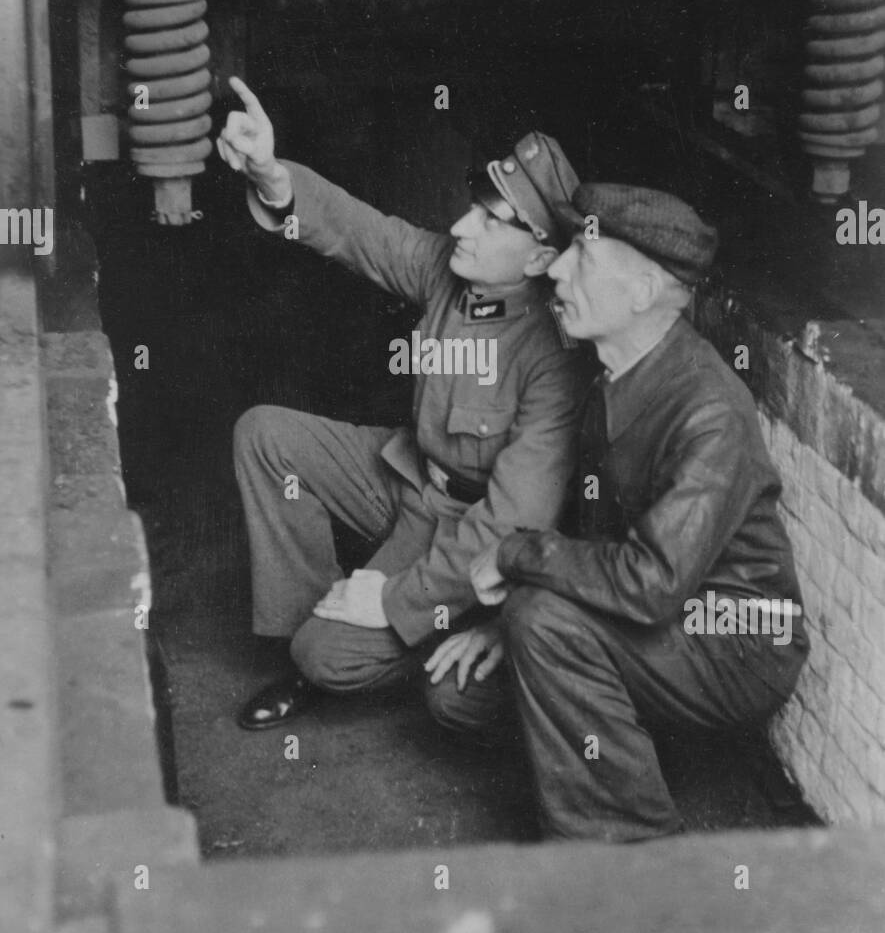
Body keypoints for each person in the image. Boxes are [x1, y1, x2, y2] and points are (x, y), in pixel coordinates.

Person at [446, 181, 809, 842]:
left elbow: (648, 582)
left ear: (640, 294)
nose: (554, 268)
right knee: (459, 696)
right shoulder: (613, 372)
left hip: (734, 638)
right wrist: (504, 626)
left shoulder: (705, 410)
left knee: (541, 625)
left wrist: (515, 557)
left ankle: (633, 860)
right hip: (658, 617)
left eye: (579, 260)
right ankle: (619, 743)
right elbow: (596, 538)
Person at [217, 77, 584, 729]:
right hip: (407, 476)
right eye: (473, 205)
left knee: (328, 656)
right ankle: (315, 619)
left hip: (468, 532)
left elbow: (510, 522)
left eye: (491, 221)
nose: (460, 226)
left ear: (540, 257)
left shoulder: (550, 356)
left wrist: (394, 601)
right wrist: (272, 175)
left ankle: (410, 640)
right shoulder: (450, 269)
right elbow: (359, 231)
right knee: (266, 435)